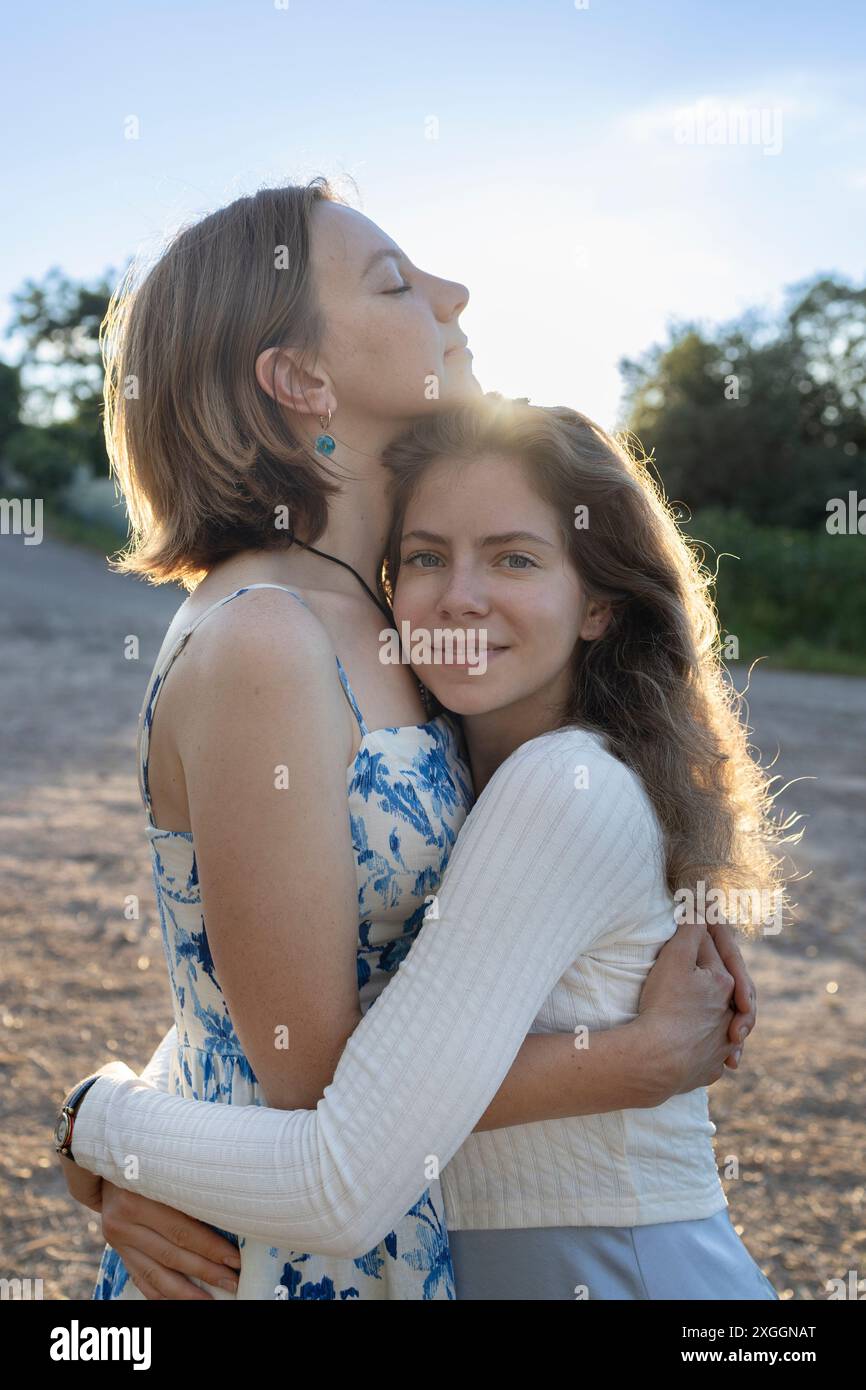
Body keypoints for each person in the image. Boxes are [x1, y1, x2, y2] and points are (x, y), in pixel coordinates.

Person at [57, 182, 756, 1300]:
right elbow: (315, 1083)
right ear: (299, 379)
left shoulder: (381, 616)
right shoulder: (267, 642)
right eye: (394, 282)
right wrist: (621, 1064)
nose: (453, 293)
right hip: (289, 1252)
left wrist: (659, 896)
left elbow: (272, 967)